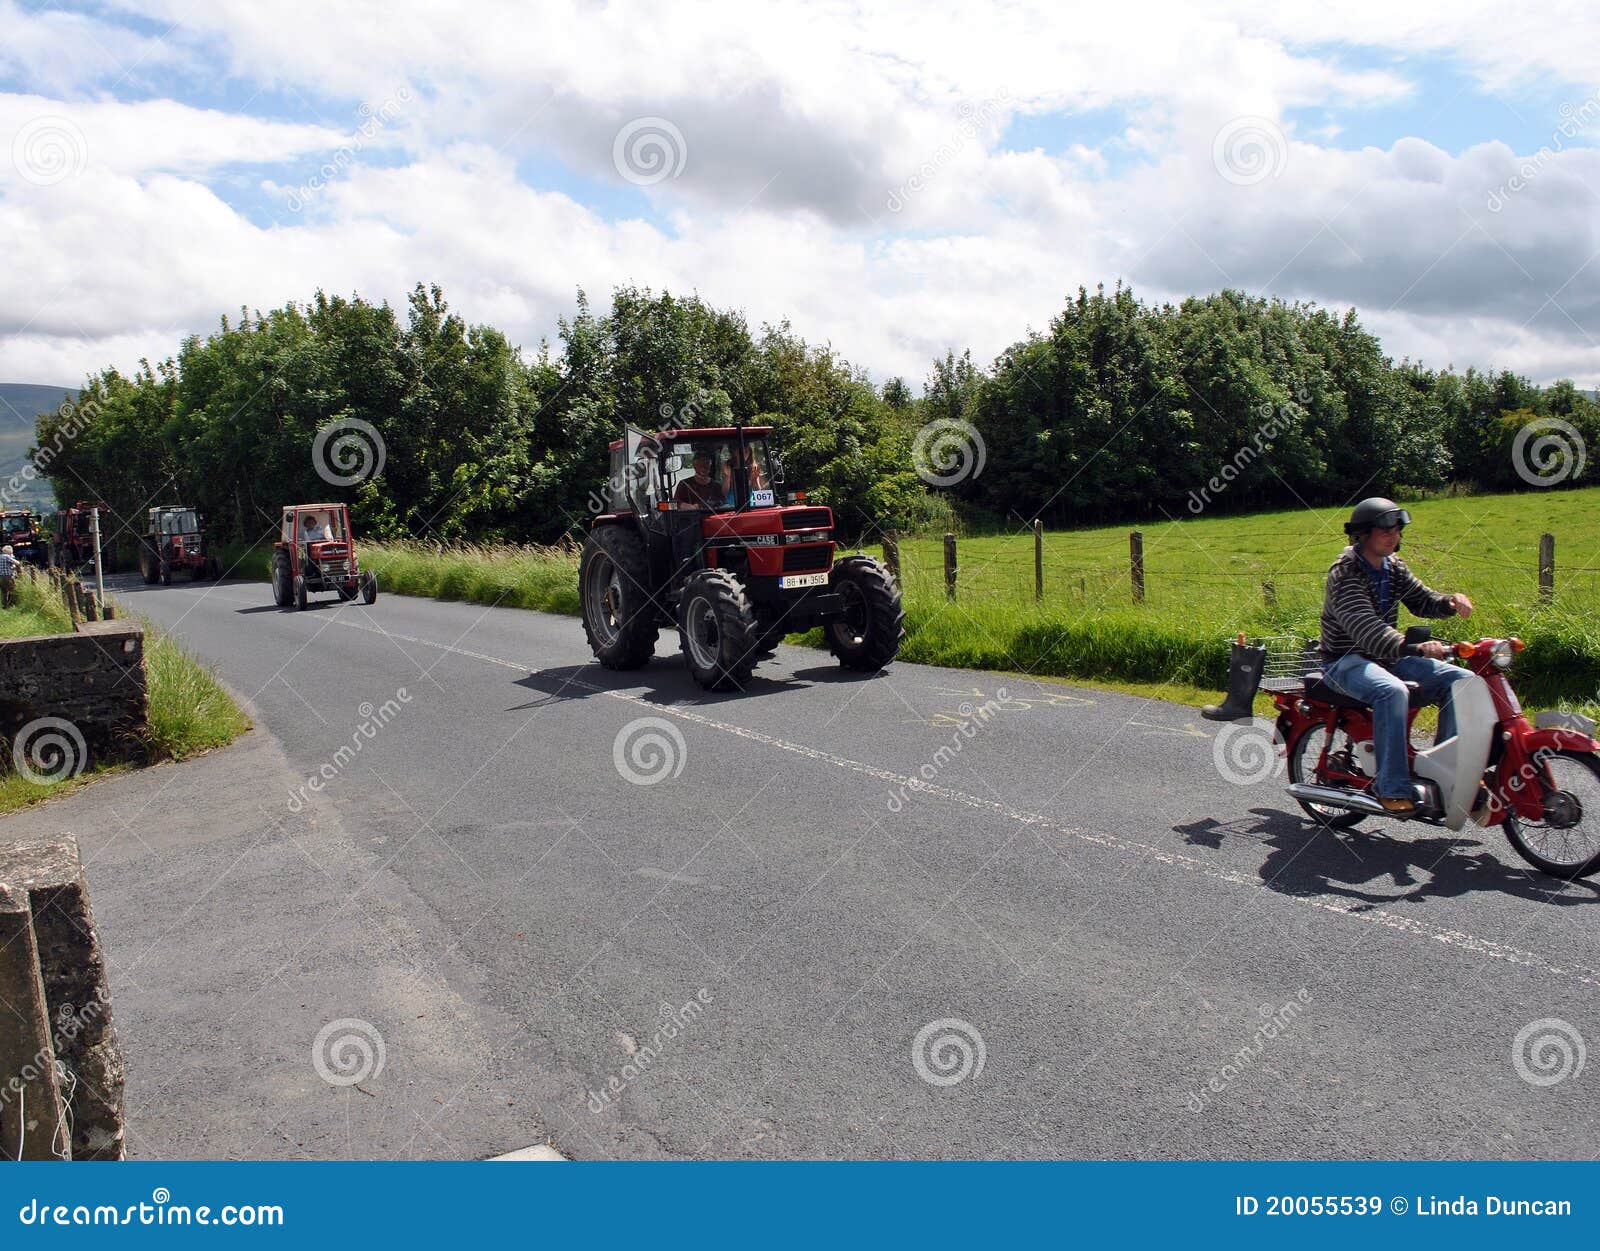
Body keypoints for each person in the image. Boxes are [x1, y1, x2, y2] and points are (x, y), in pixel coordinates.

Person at [1319, 497, 1475, 814]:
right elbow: (1367, 629)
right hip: (1345, 660)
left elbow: (1422, 600)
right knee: (1392, 691)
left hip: (1386, 658)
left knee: (1462, 680)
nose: (1394, 535)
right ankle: (1391, 787)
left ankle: (1442, 771)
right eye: (1386, 529)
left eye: (1398, 529)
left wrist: (1449, 602)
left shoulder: (1393, 567)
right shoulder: (1345, 573)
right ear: (1363, 534)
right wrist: (1414, 646)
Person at [0, 544, 18, 608]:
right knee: (13, 590)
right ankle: (12, 605)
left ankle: (4, 606)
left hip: (1, 577)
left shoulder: (0, 557)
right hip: (8, 577)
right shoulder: (7, 556)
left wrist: (11, 567)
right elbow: (17, 563)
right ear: (9, 551)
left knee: (4, 592)